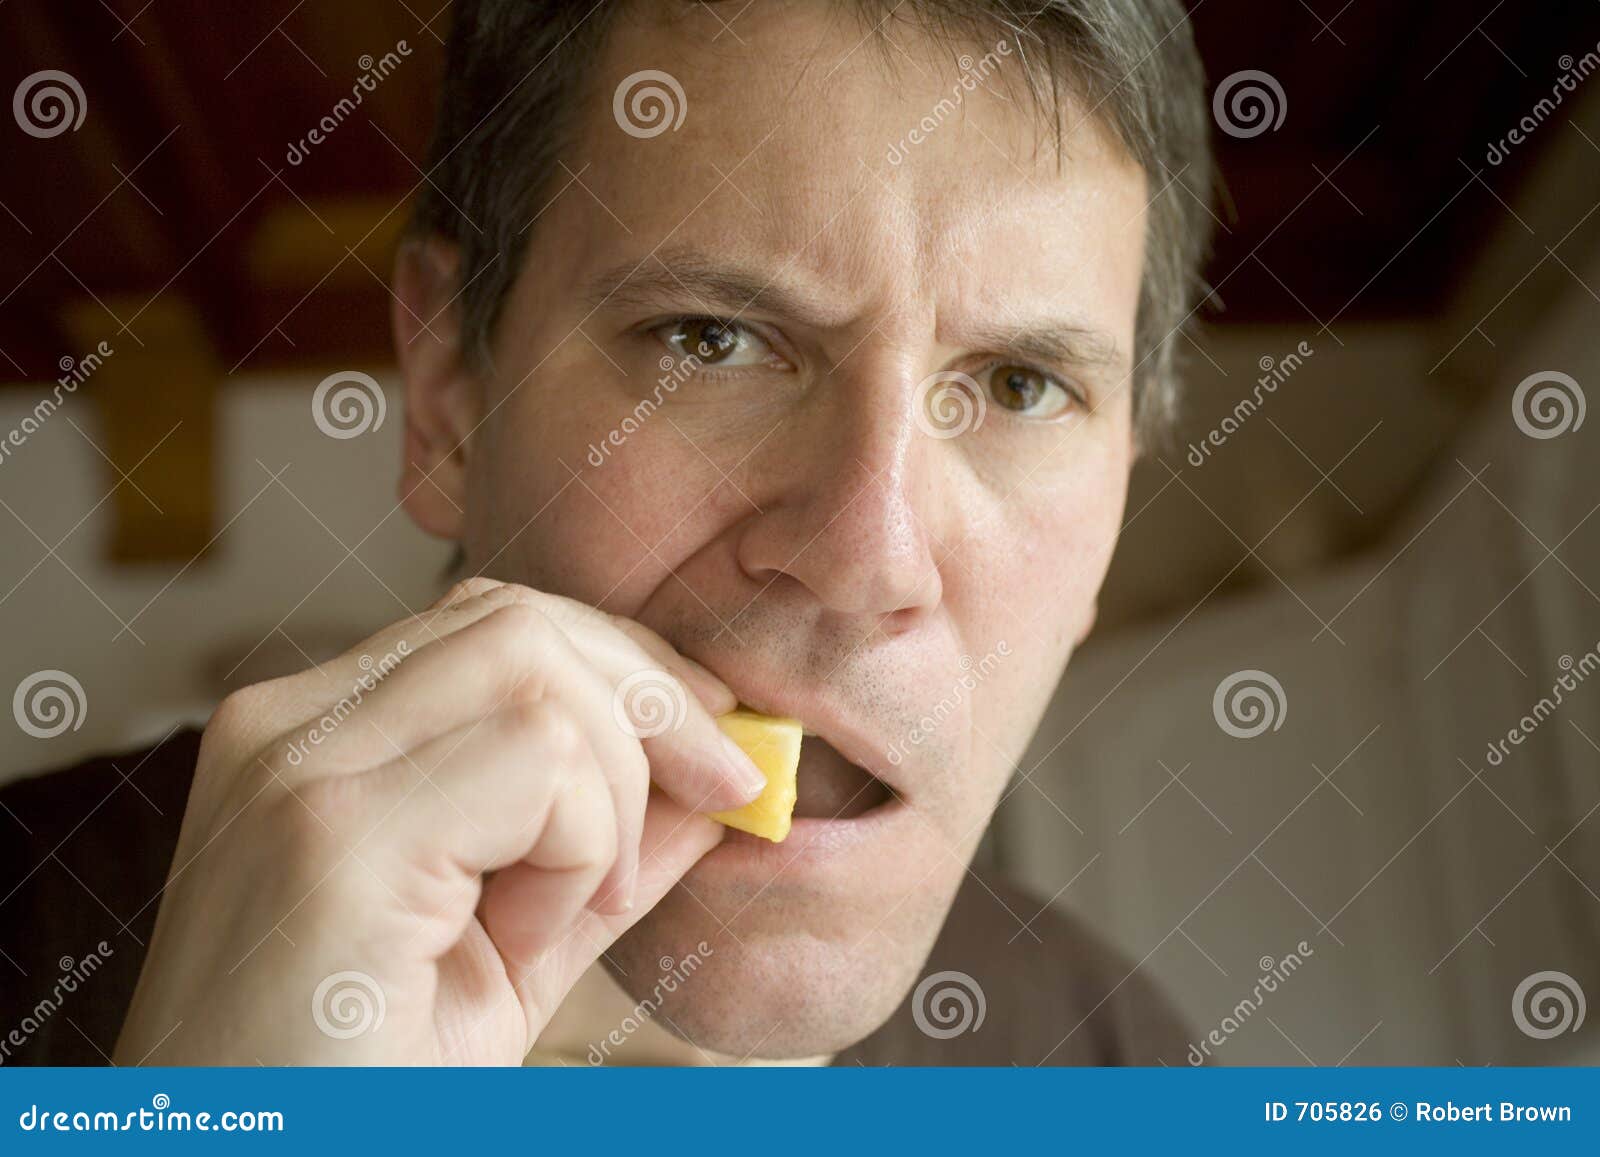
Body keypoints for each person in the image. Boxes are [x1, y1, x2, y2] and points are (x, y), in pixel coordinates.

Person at [0, 0, 1214, 1066]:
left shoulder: (1117, 1063)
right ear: (448, 398)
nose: (868, 558)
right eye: (711, 339)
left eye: (1017, 387)